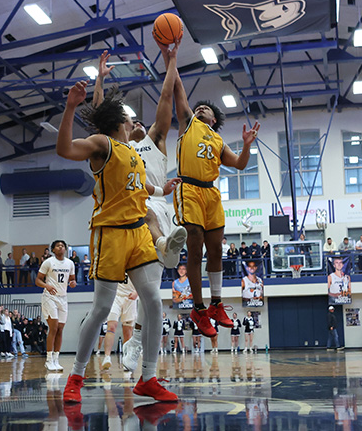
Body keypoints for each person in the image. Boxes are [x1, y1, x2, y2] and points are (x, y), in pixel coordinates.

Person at [56, 71, 178, 403]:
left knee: (153, 302)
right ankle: (76, 376)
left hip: (138, 231)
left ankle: (148, 378)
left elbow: (140, 187)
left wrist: (161, 188)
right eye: (128, 116)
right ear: (119, 121)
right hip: (109, 234)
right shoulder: (103, 144)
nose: (132, 120)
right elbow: (65, 149)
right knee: (100, 309)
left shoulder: (133, 152)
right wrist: (70, 108)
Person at [95, 49, 188, 375]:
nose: (133, 122)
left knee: (153, 294)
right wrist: (100, 80)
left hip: (160, 208)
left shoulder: (153, 141)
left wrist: (171, 61)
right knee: (147, 290)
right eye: (128, 120)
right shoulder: (115, 146)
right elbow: (98, 116)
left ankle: (135, 341)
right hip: (133, 210)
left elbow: (165, 98)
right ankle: (163, 243)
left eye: (137, 121)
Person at [168, 37, 259, 339]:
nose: (201, 108)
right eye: (199, 107)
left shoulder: (218, 141)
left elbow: (241, 165)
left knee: (216, 249)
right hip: (190, 189)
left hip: (211, 193)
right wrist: (172, 58)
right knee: (194, 245)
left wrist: (246, 146)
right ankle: (197, 307)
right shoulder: (187, 124)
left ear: (215, 119)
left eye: (206, 108)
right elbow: (179, 90)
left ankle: (217, 304)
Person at [36, 239, 76, 372]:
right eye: (58, 246)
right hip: (50, 297)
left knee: (60, 329)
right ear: (53, 249)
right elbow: (38, 280)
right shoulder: (48, 262)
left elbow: (72, 279)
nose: (61, 247)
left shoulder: (70, 263)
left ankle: (56, 359)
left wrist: (73, 283)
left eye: (63, 246)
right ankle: (48, 360)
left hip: (63, 298)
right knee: (53, 327)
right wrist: (47, 285)